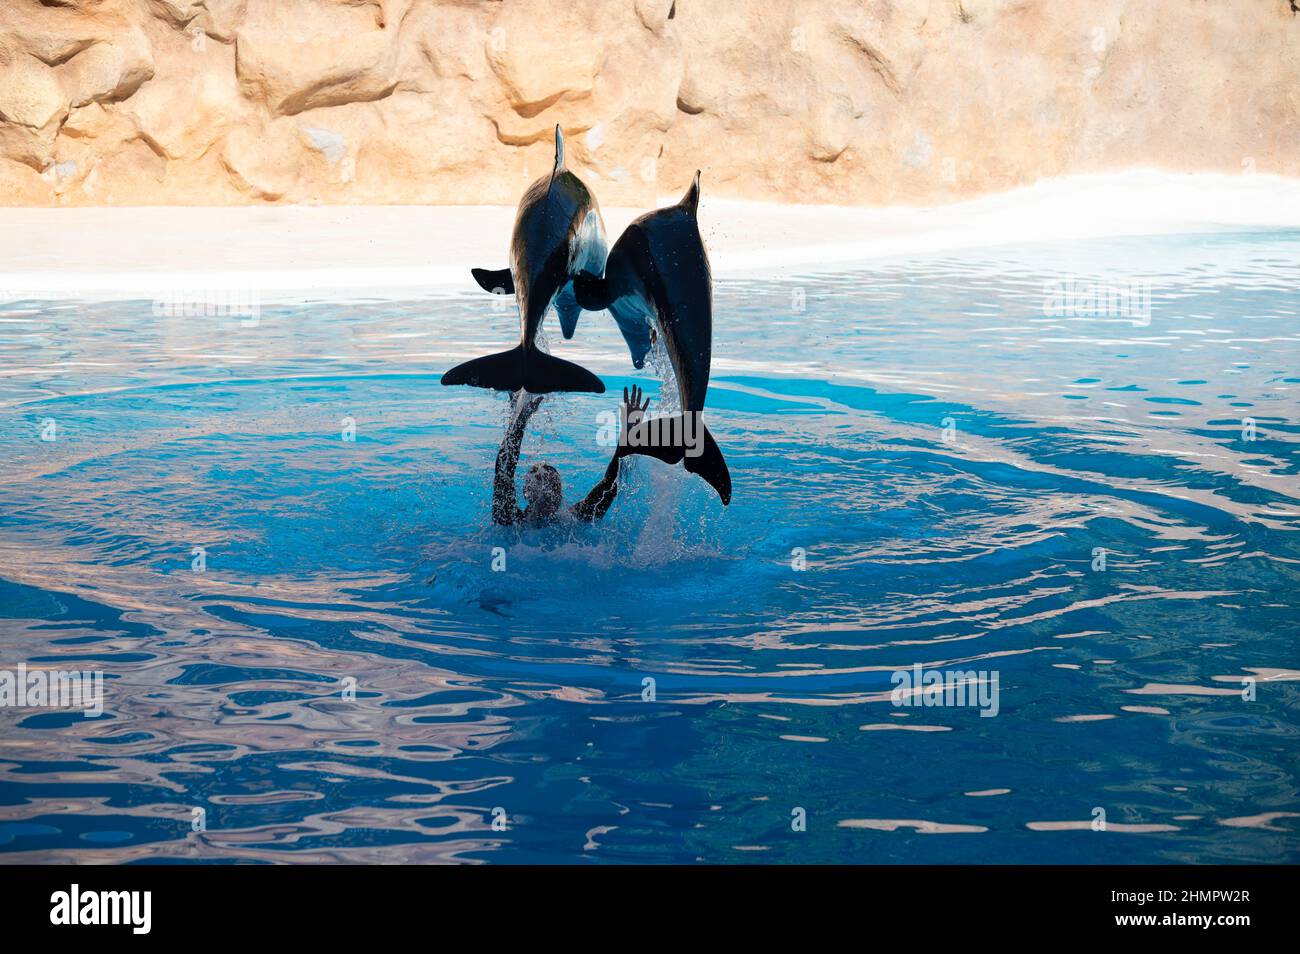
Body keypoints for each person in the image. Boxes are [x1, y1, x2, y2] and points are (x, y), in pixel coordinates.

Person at [491, 385, 650, 526]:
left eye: (552, 487)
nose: (547, 493)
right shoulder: (510, 519)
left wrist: (629, 435)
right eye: (543, 487)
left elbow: (612, 482)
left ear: (560, 494)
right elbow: (503, 472)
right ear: (526, 492)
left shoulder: (577, 517)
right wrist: (519, 421)